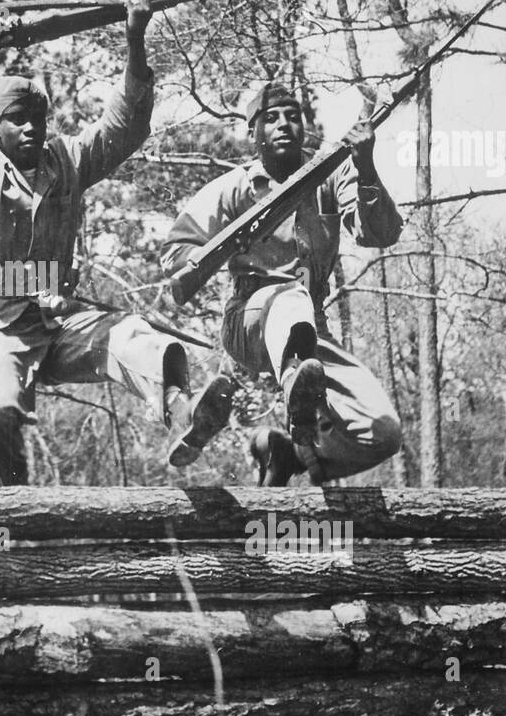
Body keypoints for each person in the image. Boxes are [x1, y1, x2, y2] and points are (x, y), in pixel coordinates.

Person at [0, 1, 234, 487]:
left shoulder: (65, 159)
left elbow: (123, 128)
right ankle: (11, 507)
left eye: (38, 120)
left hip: (64, 322)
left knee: (132, 337)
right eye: (17, 119)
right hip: (4, 324)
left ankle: (182, 412)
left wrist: (135, 40)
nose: (30, 128)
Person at [160, 82, 404, 485]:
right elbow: (175, 252)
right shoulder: (233, 188)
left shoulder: (329, 174)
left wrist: (366, 165)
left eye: (293, 116)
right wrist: (220, 251)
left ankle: (290, 454)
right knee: (289, 296)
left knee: (384, 433)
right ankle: (298, 394)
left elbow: (379, 234)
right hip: (248, 323)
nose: (284, 125)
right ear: (253, 132)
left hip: (311, 329)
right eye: (270, 119)